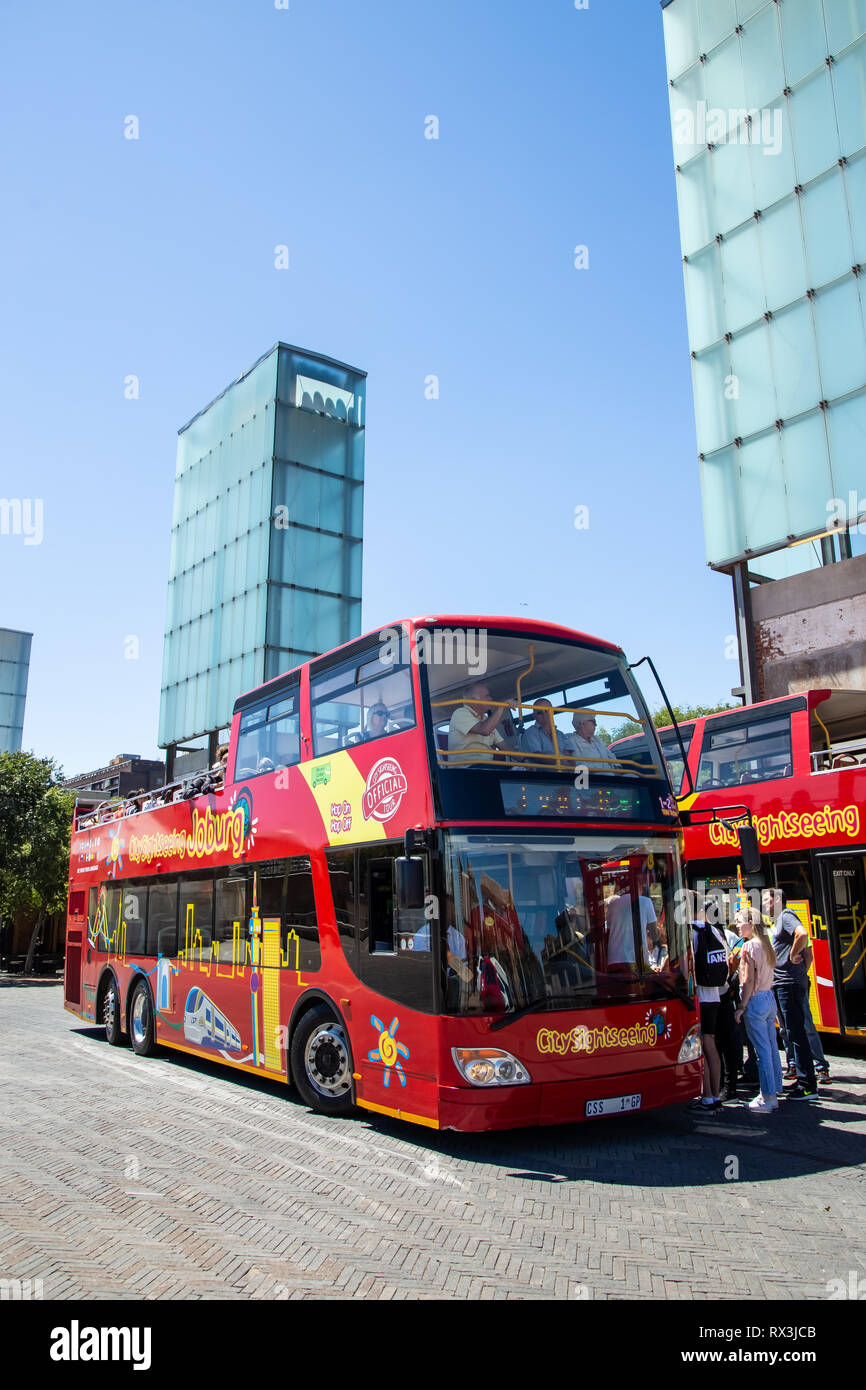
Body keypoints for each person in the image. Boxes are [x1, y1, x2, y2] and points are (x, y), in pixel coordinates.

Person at [763, 888, 817, 1099]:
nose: (764, 904)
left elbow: (802, 934)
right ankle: (802, 1080)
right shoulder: (778, 921)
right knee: (792, 1032)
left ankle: (807, 1085)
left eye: (766, 900)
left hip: (789, 984)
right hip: (784, 983)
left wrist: (794, 954)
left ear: (777, 900)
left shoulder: (786, 915)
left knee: (797, 1033)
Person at [735, 907, 783, 1113]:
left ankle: (767, 1096)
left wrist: (741, 1006)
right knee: (771, 1048)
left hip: (755, 1000)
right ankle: (775, 1090)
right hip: (769, 997)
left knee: (761, 1051)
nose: (737, 925)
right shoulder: (766, 944)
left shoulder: (748, 947)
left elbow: (748, 980)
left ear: (751, 924)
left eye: (740, 922)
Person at [691, 893, 730, 1111]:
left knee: (700, 1048)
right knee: (711, 1045)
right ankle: (715, 1095)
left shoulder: (692, 932)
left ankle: (705, 1097)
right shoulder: (715, 931)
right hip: (715, 996)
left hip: (699, 997)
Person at [448, 682, 516, 765]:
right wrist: (502, 706)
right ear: (473, 700)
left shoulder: (485, 719)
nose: (491, 699)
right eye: (487, 696)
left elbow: (504, 746)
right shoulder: (460, 713)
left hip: (485, 767)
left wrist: (525, 760)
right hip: (467, 769)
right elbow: (485, 730)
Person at [606, 868, 657, 968]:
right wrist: (658, 931)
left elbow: (609, 930)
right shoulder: (646, 902)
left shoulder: (612, 903)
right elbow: (654, 935)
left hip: (614, 960)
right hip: (637, 961)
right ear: (638, 885)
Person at [518, 698, 568, 768]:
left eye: (547, 711)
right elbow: (538, 757)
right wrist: (559, 764)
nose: (544, 715)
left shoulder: (561, 734)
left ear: (552, 712)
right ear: (534, 716)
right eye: (539, 713)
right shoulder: (530, 733)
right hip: (544, 774)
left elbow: (569, 756)